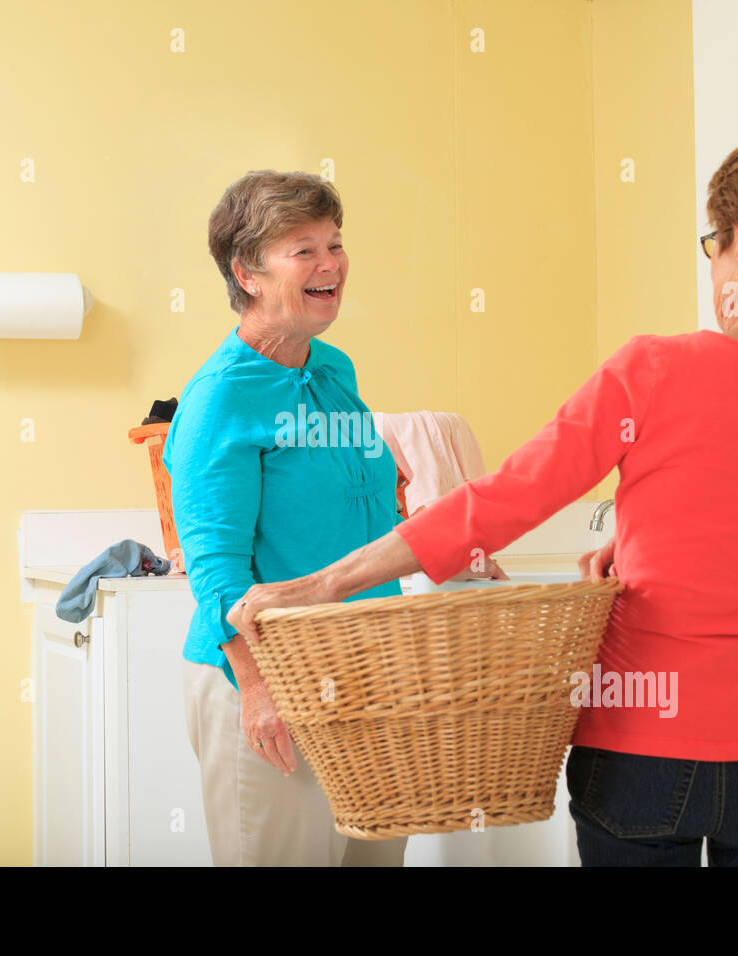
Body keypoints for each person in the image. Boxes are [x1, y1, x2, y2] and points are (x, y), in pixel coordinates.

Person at [228, 128, 738, 866]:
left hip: (644, 749)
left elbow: (504, 501)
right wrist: (658, 547)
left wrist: (327, 583)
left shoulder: (655, 368)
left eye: (711, 244)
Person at [164, 170, 501, 866]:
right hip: (264, 683)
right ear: (247, 273)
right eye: (303, 249)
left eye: (336, 244)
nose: (331, 264)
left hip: (364, 674)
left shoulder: (333, 370)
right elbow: (217, 572)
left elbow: (368, 499)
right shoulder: (219, 399)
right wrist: (258, 692)